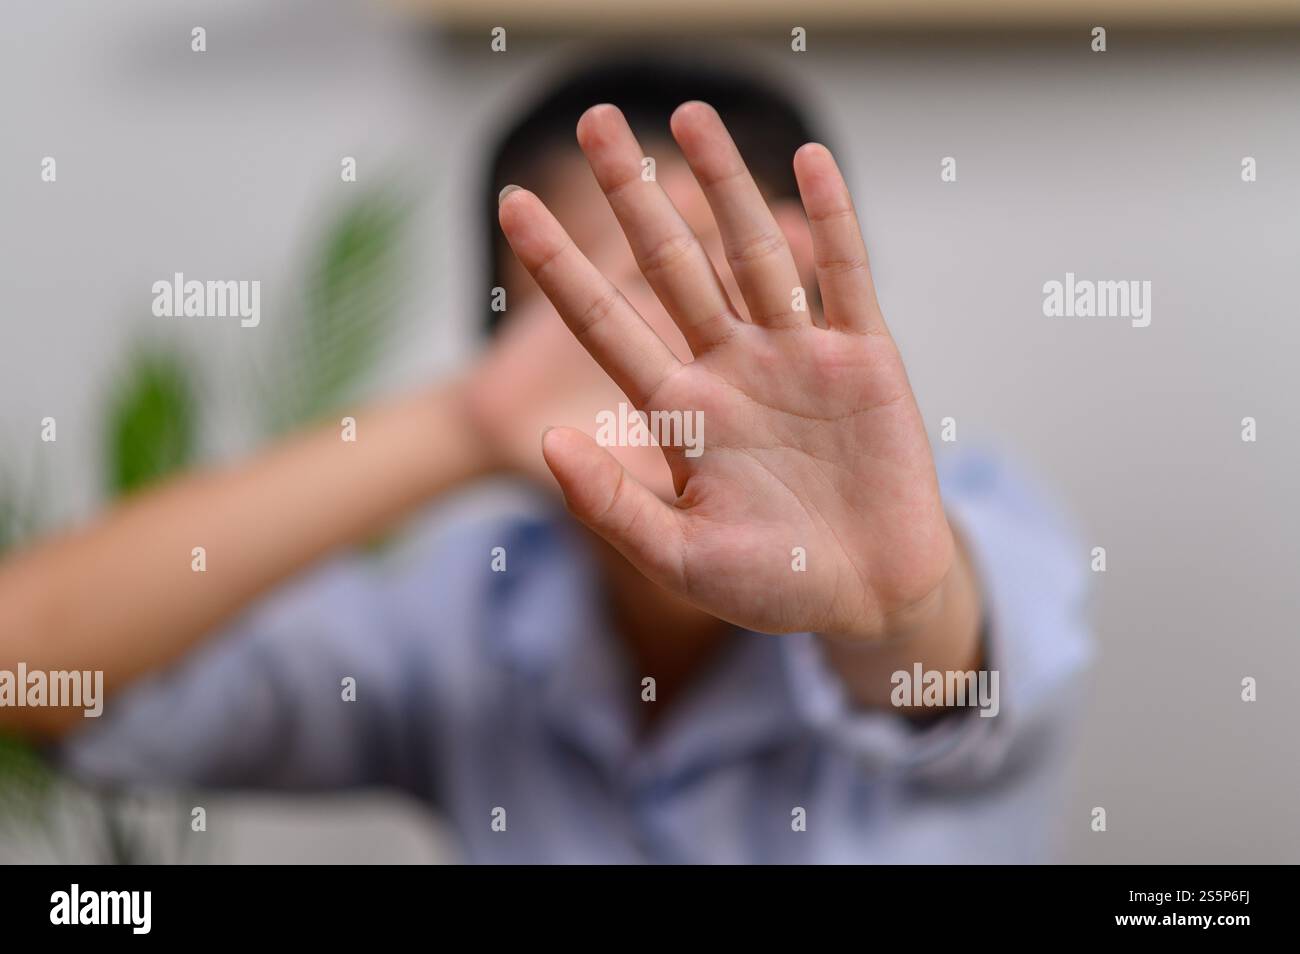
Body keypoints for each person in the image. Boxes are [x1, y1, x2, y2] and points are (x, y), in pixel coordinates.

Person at [0, 59, 1090, 863]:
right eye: (611, 306)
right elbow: (26, 664)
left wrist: (902, 606)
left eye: (734, 296)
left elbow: (940, 652)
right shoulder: (461, 612)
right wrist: (463, 424)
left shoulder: (987, 526)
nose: (692, 375)